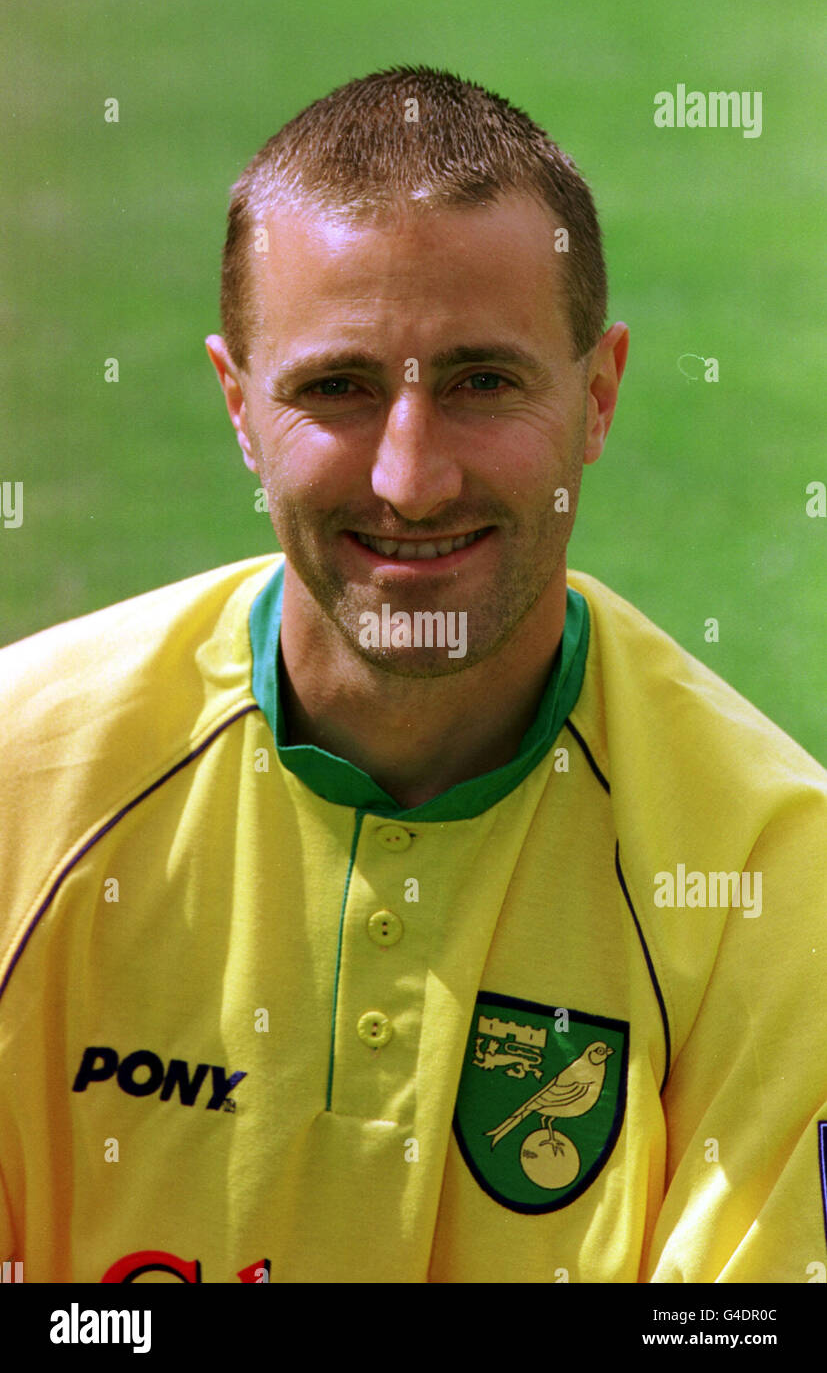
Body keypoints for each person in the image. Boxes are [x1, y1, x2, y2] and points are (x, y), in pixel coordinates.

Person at [1, 65, 825, 1285]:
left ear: (595, 396)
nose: (409, 477)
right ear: (238, 406)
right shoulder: (24, 781)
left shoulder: (771, 873)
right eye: (335, 388)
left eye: (479, 383)